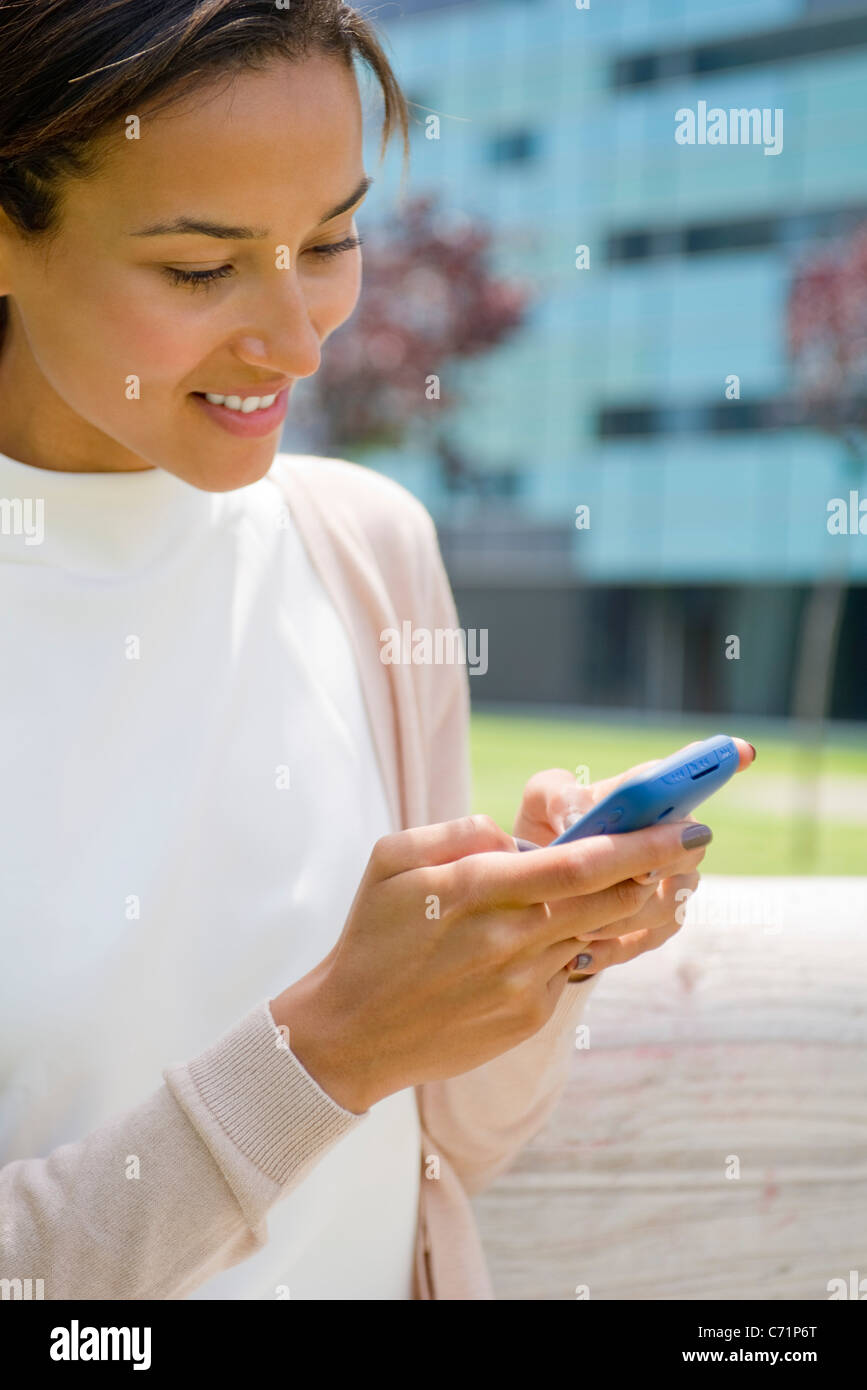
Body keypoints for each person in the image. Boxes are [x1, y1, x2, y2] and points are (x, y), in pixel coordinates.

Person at [0, 0, 752, 1300]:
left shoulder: (364, 548)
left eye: (332, 239)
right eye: (199, 268)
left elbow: (448, 1141)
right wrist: (323, 1048)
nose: (300, 339)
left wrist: (533, 944)